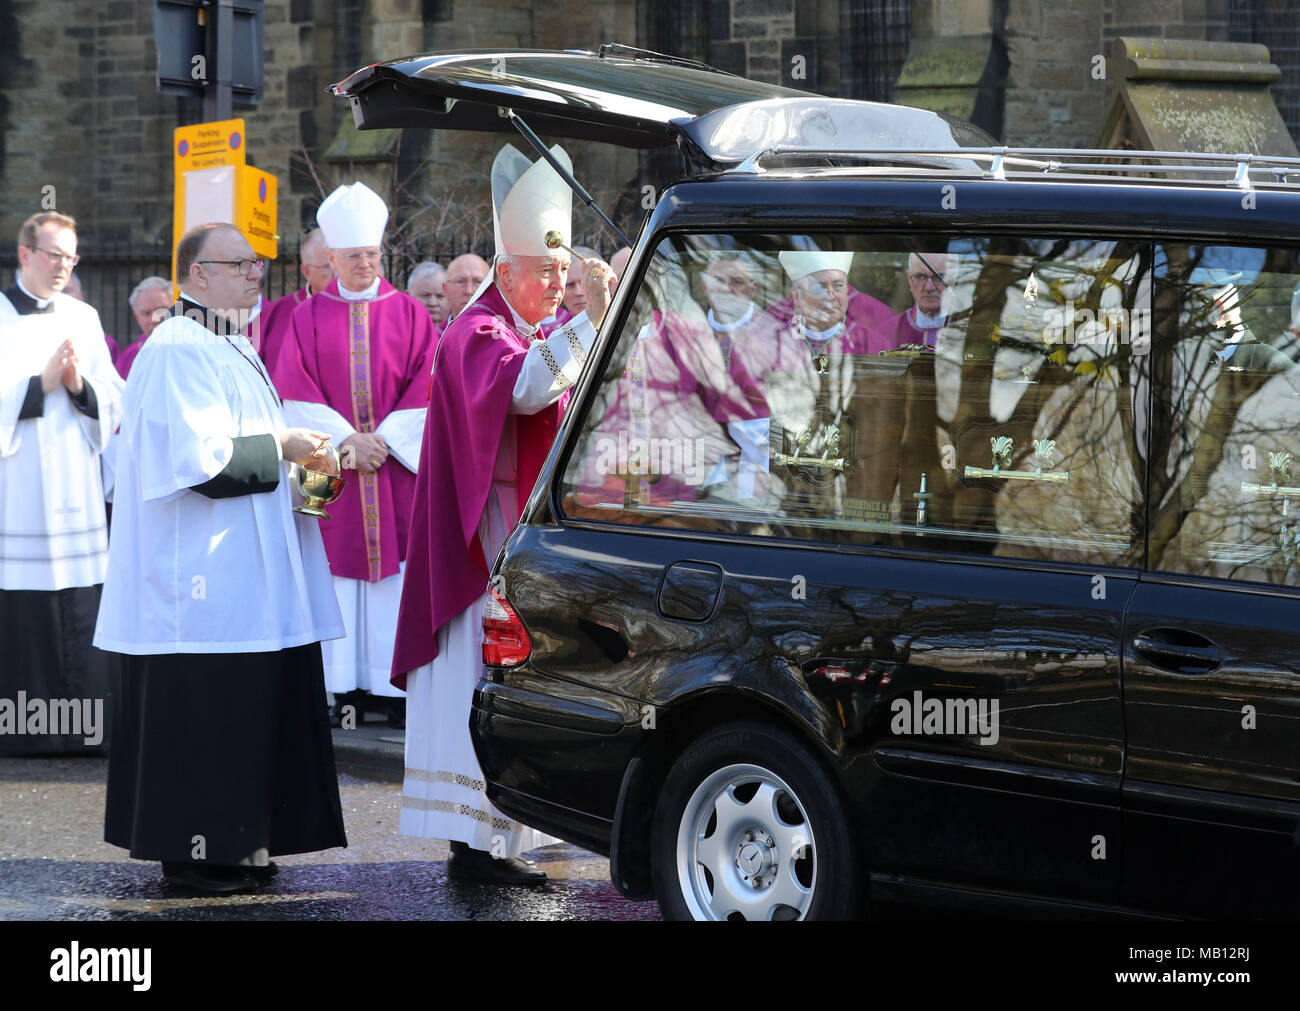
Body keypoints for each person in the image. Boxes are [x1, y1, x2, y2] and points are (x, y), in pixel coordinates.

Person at [95, 222, 347, 894]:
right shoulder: (179, 347)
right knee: (209, 716)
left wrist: (308, 477)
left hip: (244, 580)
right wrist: (286, 446)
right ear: (197, 276)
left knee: (246, 712)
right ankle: (198, 858)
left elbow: (253, 459)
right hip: (200, 591)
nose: (256, 274)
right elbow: (199, 465)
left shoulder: (229, 346)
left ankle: (242, 844)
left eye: (258, 263)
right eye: (241, 264)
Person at [392, 143, 615, 884]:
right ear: (508, 271)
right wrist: (590, 322)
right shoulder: (477, 330)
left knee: (509, 683)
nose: (558, 285)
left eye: (564, 274)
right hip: (477, 545)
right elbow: (522, 391)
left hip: (509, 538)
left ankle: (497, 835)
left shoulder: (522, 327)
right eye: (547, 273)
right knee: (477, 682)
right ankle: (476, 838)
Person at [270, 182, 436, 719]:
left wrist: (382, 442)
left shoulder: (411, 313)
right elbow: (293, 391)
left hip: (393, 461)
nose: (364, 263)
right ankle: (340, 687)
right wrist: (345, 443)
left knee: (396, 570)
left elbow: (427, 386)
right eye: (353, 256)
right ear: (332, 258)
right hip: (329, 466)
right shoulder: (304, 316)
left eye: (371, 254)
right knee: (331, 565)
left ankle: (390, 688)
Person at [0, 212, 124, 755]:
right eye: (53, 255)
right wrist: (39, 384)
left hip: (75, 489)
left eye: (70, 257)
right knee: (25, 614)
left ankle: (85, 730)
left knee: (80, 608)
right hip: (18, 494)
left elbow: (113, 399)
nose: (62, 266)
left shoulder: (85, 316)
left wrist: (78, 386)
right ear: (24, 254)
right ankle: (25, 734)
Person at [256, 228, 334, 368]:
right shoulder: (275, 316)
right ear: (307, 271)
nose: (339, 275)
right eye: (328, 267)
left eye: (342, 264)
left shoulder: (366, 308)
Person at [879, 252, 954, 349]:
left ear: (954, 280)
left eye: (939, 277)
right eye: (920, 277)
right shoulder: (887, 332)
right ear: (910, 280)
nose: (929, 288)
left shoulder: (971, 330)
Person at [115, 277, 174, 378]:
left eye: (161, 310)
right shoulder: (130, 355)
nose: (154, 319)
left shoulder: (190, 348)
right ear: (136, 315)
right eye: (146, 313)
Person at [442, 252, 489, 321]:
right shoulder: (439, 331)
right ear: (446, 290)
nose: (469, 291)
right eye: (460, 282)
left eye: (478, 282)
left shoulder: (501, 330)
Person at [406, 260, 450, 331]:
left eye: (440, 296)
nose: (433, 303)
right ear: (408, 297)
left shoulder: (459, 335)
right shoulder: (398, 333)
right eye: (425, 295)